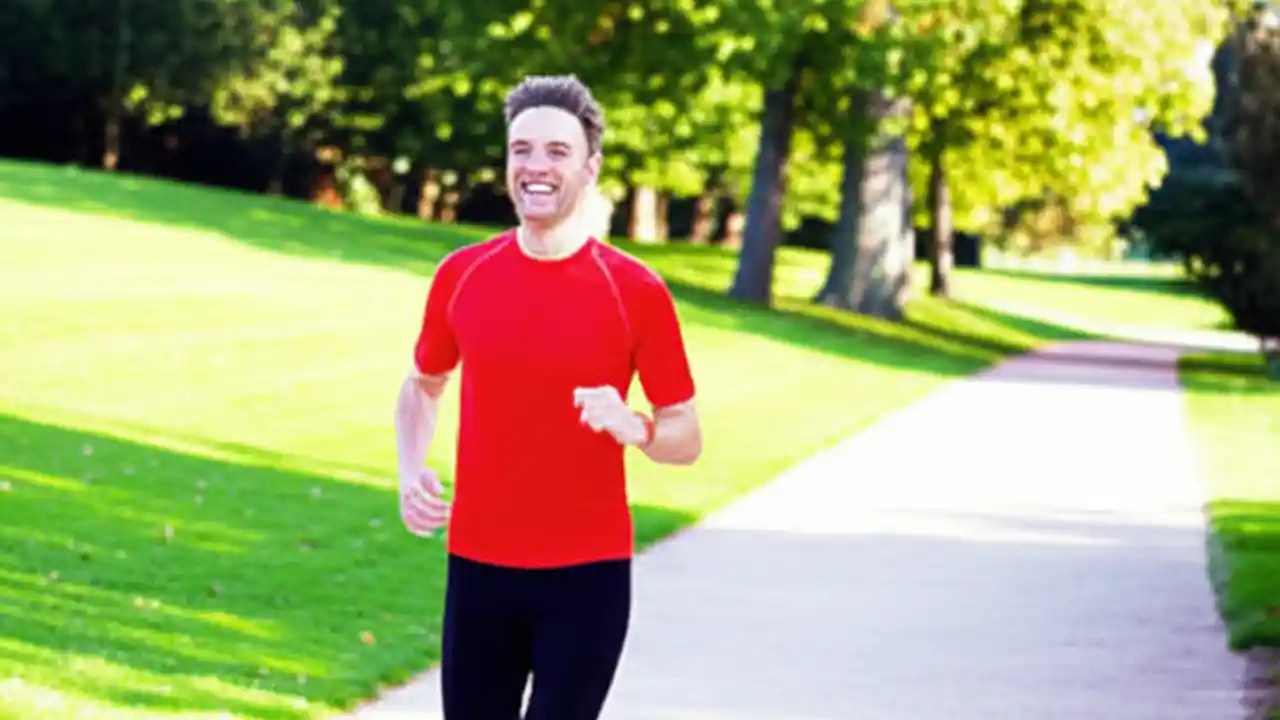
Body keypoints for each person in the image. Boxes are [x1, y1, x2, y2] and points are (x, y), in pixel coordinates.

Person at [393, 74, 703, 720]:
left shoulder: (635, 293)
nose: (535, 166)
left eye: (556, 152)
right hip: (478, 570)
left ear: (590, 168)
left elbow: (687, 437)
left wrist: (635, 427)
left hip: (586, 578)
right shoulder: (463, 275)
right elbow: (422, 385)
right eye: (521, 150)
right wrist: (409, 470)